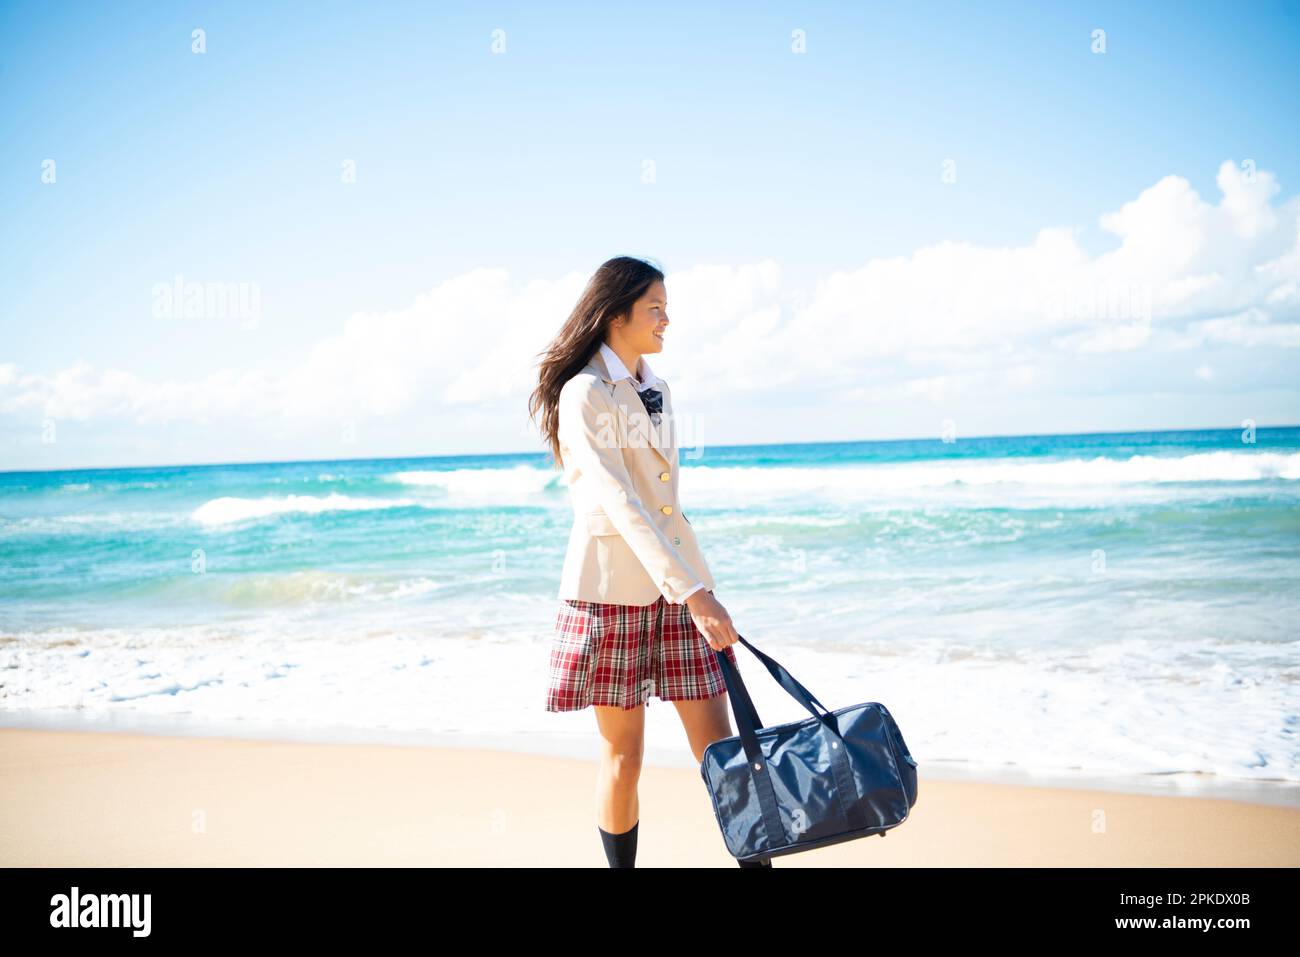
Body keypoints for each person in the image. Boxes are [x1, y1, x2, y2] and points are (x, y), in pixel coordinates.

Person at [528, 255, 772, 868]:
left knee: (723, 748)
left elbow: (664, 502)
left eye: (666, 306)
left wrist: (694, 586)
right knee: (624, 755)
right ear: (616, 316)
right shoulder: (584, 392)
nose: (668, 319)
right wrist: (692, 592)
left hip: (681, 585)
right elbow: (619, 501)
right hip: (612, 594)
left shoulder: (657, 388)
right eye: (655, 308)